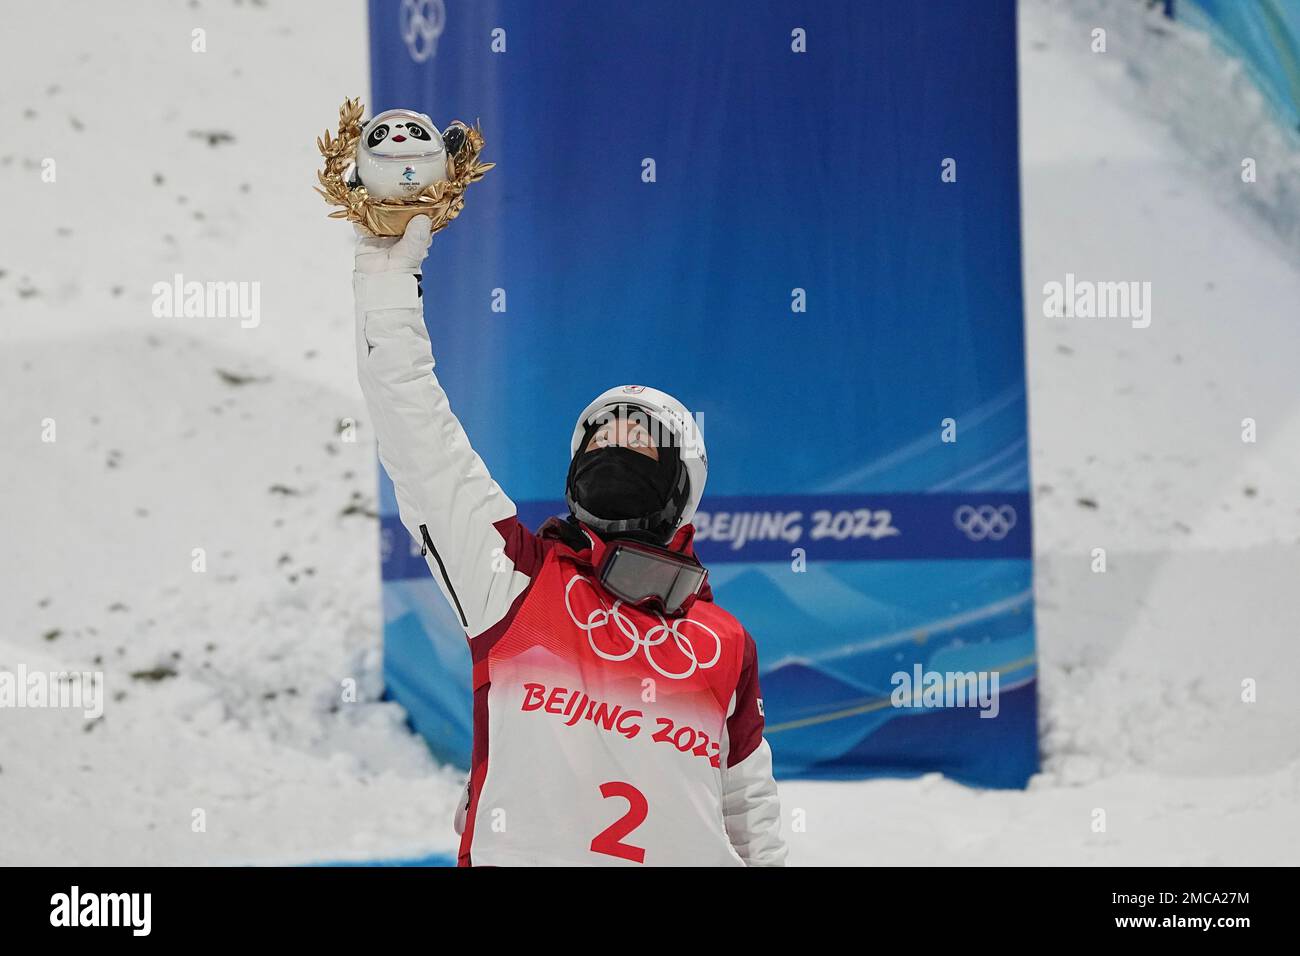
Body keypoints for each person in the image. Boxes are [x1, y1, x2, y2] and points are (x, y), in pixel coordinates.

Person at [352, 215, 787, 866]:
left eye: (638, 441)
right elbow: (421, 445)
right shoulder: (514, 582)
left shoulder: (724, 644)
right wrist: (387, 285)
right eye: (599, 440)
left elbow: (751, 821)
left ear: (681, 488)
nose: (614, 446)